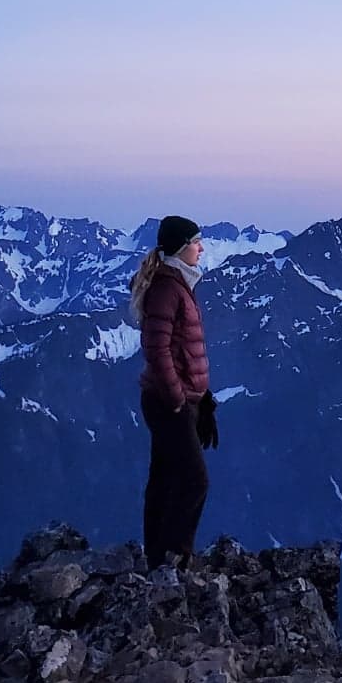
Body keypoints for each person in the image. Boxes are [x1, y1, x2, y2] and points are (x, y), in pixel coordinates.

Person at [130, 213, 218, 568]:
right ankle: (175, 556)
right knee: (195, 480)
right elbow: (157, 350)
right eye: (196, 242)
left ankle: (156, 557)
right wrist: (179, 400)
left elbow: (182, 350)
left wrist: (203, 398)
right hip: (167, 403)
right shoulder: (168, 289)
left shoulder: (178, 284)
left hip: (174, 400)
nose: (201, 248)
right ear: (181, 248)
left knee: (165, 479)